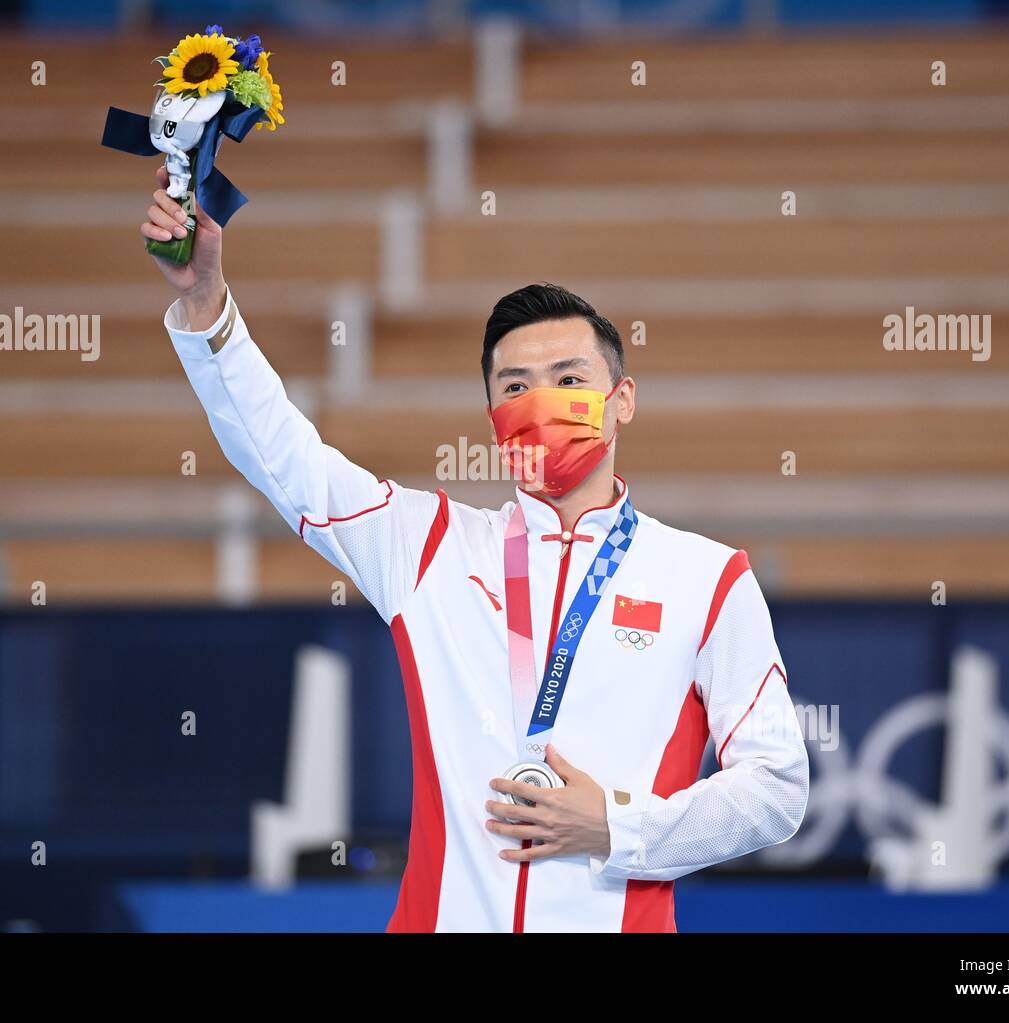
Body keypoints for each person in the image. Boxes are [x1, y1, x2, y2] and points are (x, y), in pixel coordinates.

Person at [141, 170, 809, 932]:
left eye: (569, 378)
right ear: (493, 414)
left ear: (622, 398)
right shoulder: (428, 547)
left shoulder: (707, 579)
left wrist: (618, 827)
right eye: (515, 386)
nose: (541, 404)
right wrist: (205, 303)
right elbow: (284, 458)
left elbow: (777, 784)